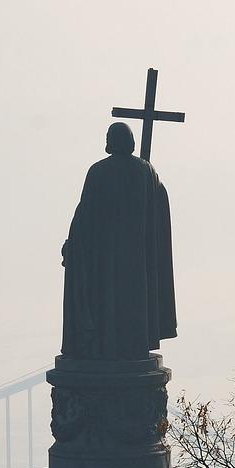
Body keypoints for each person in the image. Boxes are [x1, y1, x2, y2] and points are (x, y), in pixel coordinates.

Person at [60, 122, 176, 360]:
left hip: (103, 259)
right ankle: (132, 343)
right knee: (132, 301)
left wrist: (72, 246)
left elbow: (84, 216)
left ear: (110, 141)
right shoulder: (146, 171)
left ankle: (104, 344)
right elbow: (158, 209)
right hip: (137, 260)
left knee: (104, 302)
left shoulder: (98, 172)